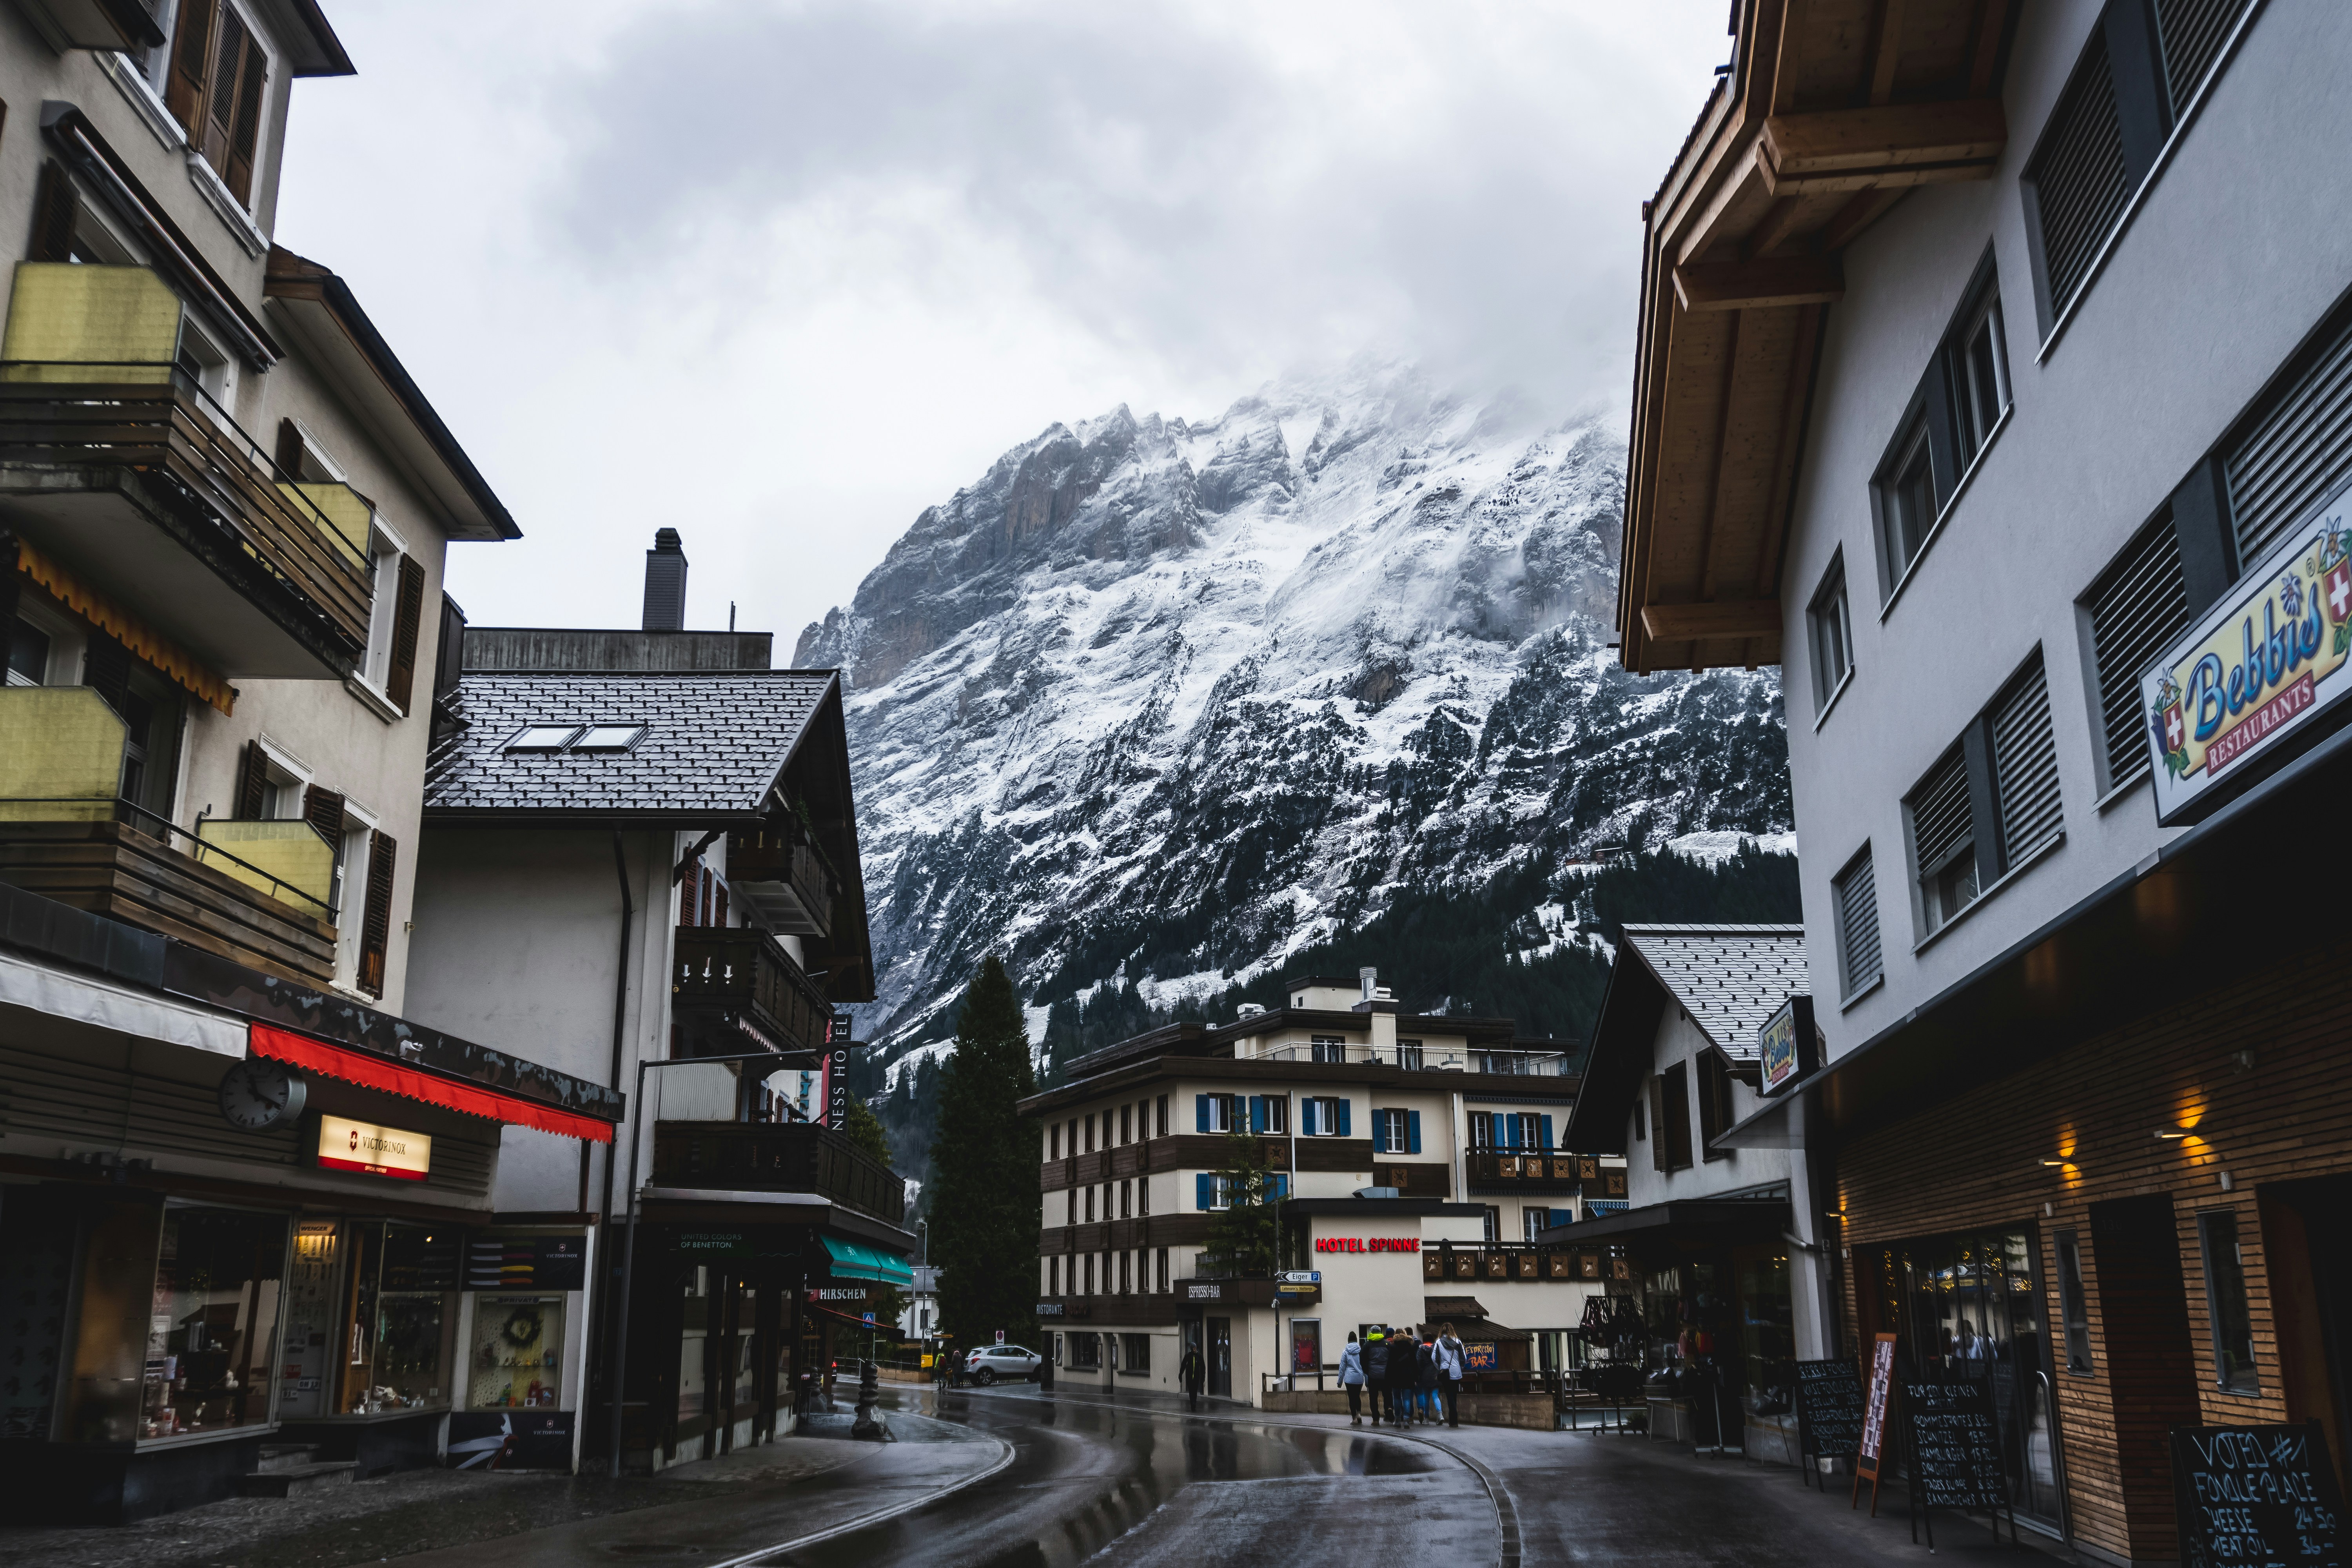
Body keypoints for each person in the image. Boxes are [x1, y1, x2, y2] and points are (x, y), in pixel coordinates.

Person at [1385, 1324, 1417, 1427]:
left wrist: (1388, 1377)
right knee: (1407, 1399)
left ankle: (1398, 1420)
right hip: (1408, 1376)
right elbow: (1414, 1363)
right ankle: (1407, 1420)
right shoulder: (1410, 1346)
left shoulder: (1393, 1347)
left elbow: (1390, 1364)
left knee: (1397, 1399)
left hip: (1396, 1376)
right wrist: (1417, 1376)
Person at [1436, 1322, 1465, 1428]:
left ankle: (1453, 1421)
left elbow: (1434, 1358)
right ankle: (1454, 1420)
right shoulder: (1458, 1342)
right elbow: (1464, 1358)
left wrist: (1440, 1368)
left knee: (1449, 1396)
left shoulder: (1439, 1342)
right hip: (1456, 1372)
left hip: (1446, 1372)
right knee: (1454, 1395)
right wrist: (1460, 1367)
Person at [1363, 1329, 1392, 1426]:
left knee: (1373, 1397)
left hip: (1373, 1375)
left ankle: (1376, 1419)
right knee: (1387, 1394)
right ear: (1380, 1332)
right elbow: (1392, 1358)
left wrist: (1367, 1371)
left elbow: (1362, 1359)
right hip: (1386, 1375)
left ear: (1371, 1332)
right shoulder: (1387, 1344)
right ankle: (1389, 1409)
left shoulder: (1368, 1345)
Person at [1339, 1331, 1365, 1426]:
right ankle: (1359, 1414)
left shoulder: (1345, 1352)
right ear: (1357, 1340)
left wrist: (1340, 1381)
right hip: (1359, 1378)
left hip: (1349, 1379)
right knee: (1357, 1396)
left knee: (1351, 1398)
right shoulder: (1361, 1351)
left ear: (1349, 1341)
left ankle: (1354, 1418)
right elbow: (1364, 1365)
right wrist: (1366, 1379)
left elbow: (1342, 1367)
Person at [1415, 1333, 1440, 1424]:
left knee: (1426, 1398)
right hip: (1436, 1375)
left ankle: (1426, 1418)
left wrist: (1419, 1374)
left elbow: (1418, 1362)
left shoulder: (1421, 1349)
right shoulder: (1436, 1348)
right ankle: (1440, 1415)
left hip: (1425, 1376)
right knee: (1435, 1396)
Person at [1180, 1341, 1206, 1412]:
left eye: (1195, 1349)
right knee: (1191, 1391)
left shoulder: (1199, 1356)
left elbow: (1203, 1367)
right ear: (1191, 1349)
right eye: (1193, 1349)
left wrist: (1203, 1376)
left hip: (1197, 1377)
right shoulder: (1188, 1356)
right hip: (1189, 1377)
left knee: (1195, 1391)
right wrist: (1180, 1374)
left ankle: (1194, 1403)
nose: (1195, 1350)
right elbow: (1184, 1365)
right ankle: (1193, 1404)